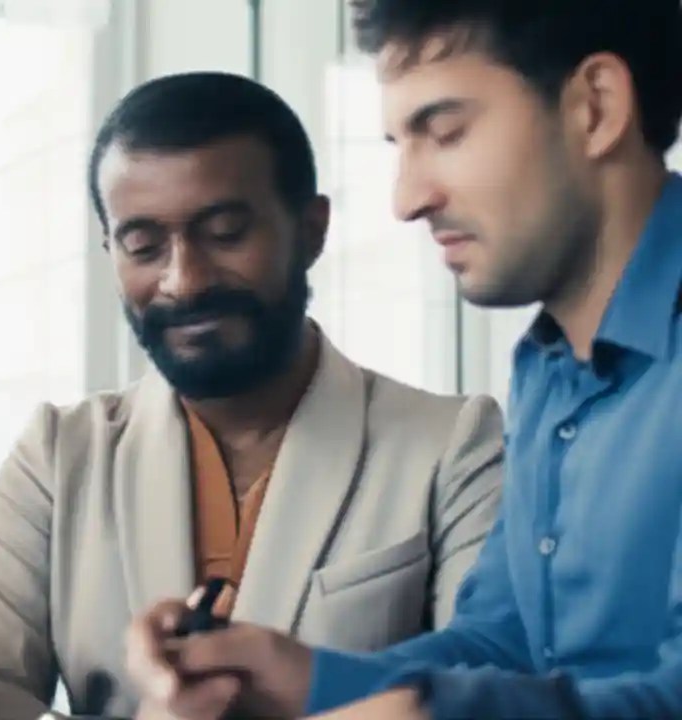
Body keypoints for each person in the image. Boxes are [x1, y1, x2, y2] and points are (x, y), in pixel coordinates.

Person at [124, 1, 682, 718]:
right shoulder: (549, 368)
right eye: (399, 145)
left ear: (595, 108)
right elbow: (508, 645)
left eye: (445, 132)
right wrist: (285, 674)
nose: (408, 198)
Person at [0, 71, 506, 719]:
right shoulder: (58, 456)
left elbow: (488, 694)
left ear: (312, 229)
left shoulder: (451, 446)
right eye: (145, 246)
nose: (184, 280)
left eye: (227, 233)